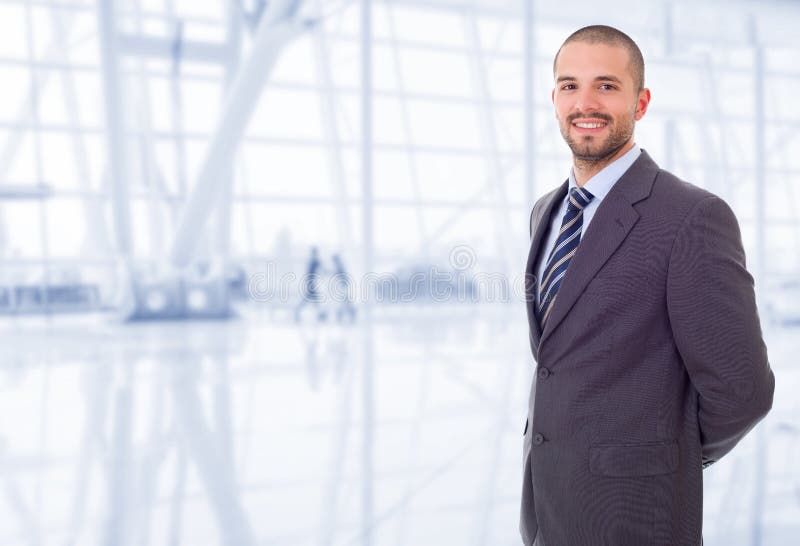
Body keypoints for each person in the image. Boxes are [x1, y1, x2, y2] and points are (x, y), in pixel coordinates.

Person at [519, 25, 775, 546]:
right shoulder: (546, 212)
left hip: (638, 516)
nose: (585, 102)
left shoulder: (692, 217)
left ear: (641, 102)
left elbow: (743, 390)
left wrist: (664, 458)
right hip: (548, 510)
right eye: (570, 86)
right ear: (553, 99)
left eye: (606, 86)